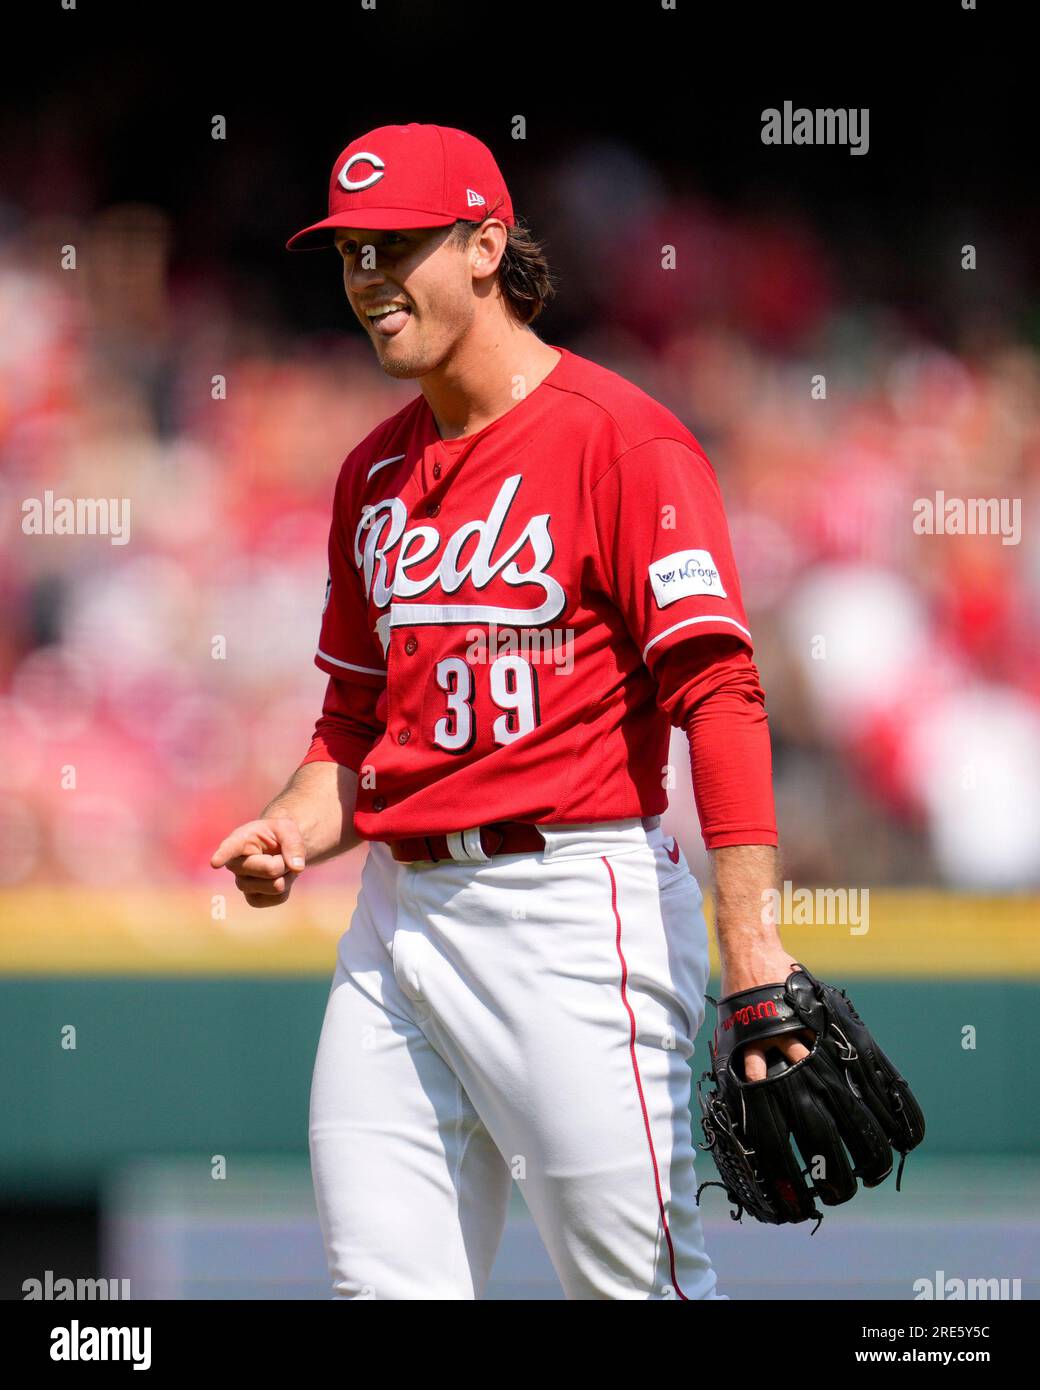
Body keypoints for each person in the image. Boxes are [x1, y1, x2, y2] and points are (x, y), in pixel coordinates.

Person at [211, 123, 808, 1300]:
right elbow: (353, 724)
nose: (368, 276)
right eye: (349, 254)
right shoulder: (371, 475)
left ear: (485, 244)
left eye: (397, 245)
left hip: (572, 912)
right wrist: (290, 827)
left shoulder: (622, 439)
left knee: (629, 1291)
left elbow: (719, 696)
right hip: (396, 923)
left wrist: (752, 954)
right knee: (385, 1287)